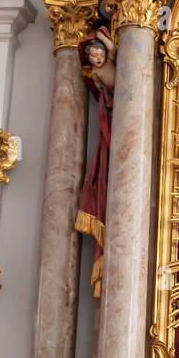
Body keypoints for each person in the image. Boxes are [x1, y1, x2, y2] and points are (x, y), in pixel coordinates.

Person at [76, 28, 116, 296]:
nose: (98, 58)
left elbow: (113, 50)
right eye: (93, 55)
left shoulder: (109, 62)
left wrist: (105, 40)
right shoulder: (97, 75)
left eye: (99, 53)